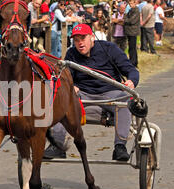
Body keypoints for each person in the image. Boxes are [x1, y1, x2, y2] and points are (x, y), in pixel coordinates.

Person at [43, 24, 139, 161]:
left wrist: (131, 81)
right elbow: (65, 77)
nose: (80, 43)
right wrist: (71, 86)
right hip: (83, 94)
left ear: (92, 37)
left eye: (83, 38)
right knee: (61, 99)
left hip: (110, 93)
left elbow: (131, 70)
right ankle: (58, 145)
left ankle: (120, 147)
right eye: (76, 40)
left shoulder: (109, 49)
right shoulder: (71, 54)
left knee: (125, 101)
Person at [123, 0, 140, 67]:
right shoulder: (131, 10)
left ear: (135, 3)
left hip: (133, 31)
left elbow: (131, 21)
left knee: (133, 48)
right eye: (129, 3)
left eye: (132, 3)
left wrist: (125, 20)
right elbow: (126, 18)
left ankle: (133, 62)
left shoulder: (136, 11)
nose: (130, 5)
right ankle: (133, 61)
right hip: (129, 31)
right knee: (131, 48)